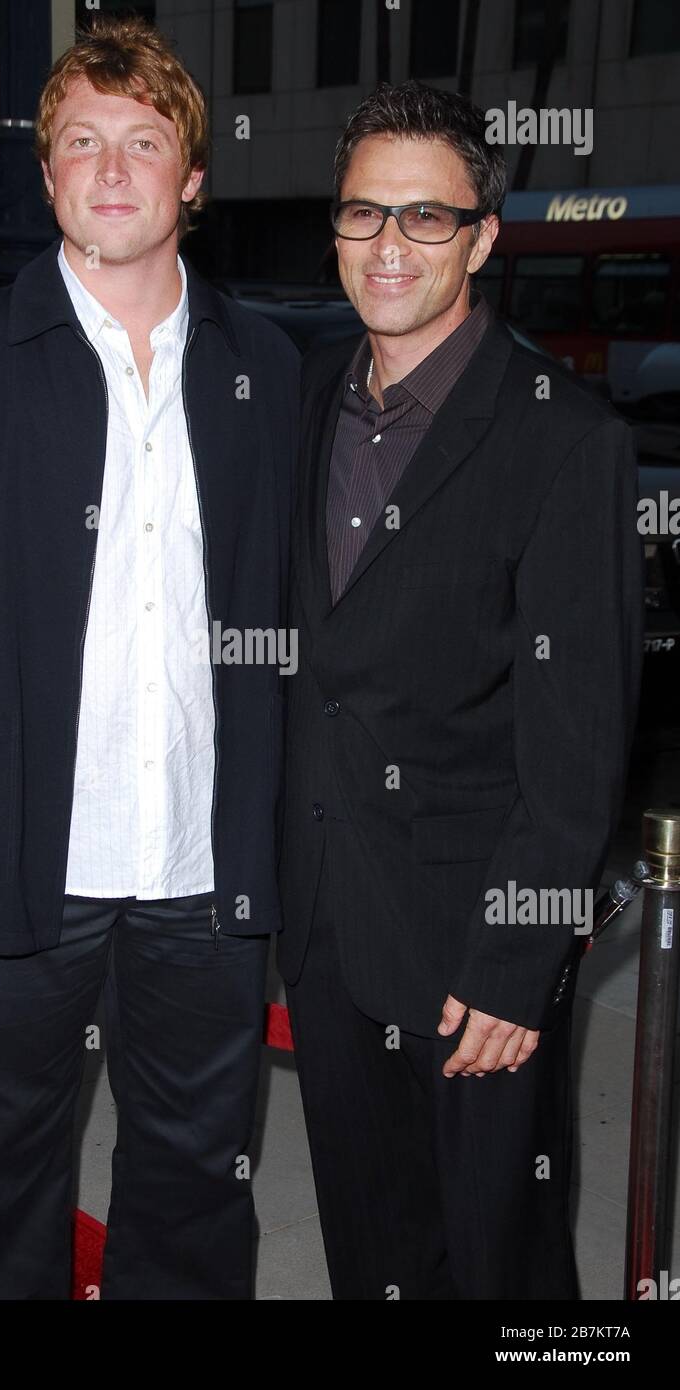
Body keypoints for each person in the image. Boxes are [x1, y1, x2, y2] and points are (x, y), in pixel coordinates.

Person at [0, 13, 298, 1300]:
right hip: (12, 871)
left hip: (202, 871)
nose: (111, 169)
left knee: (196, 1189)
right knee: (5, 1187)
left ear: (191, 179)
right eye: (82, 142)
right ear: (46, 174)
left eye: (143, 142)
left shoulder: (264, 372)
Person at [277, 79, 643, 1300]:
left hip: (468, 948)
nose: (388, 245)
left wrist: (516, 959)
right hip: (323, 922)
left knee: (500, 1262)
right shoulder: (300, 396)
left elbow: (579, 745)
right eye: (362, 213)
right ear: (334, 229)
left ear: (480, 239)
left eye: (425, 216)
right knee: (370, 1251)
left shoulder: (564, 439)